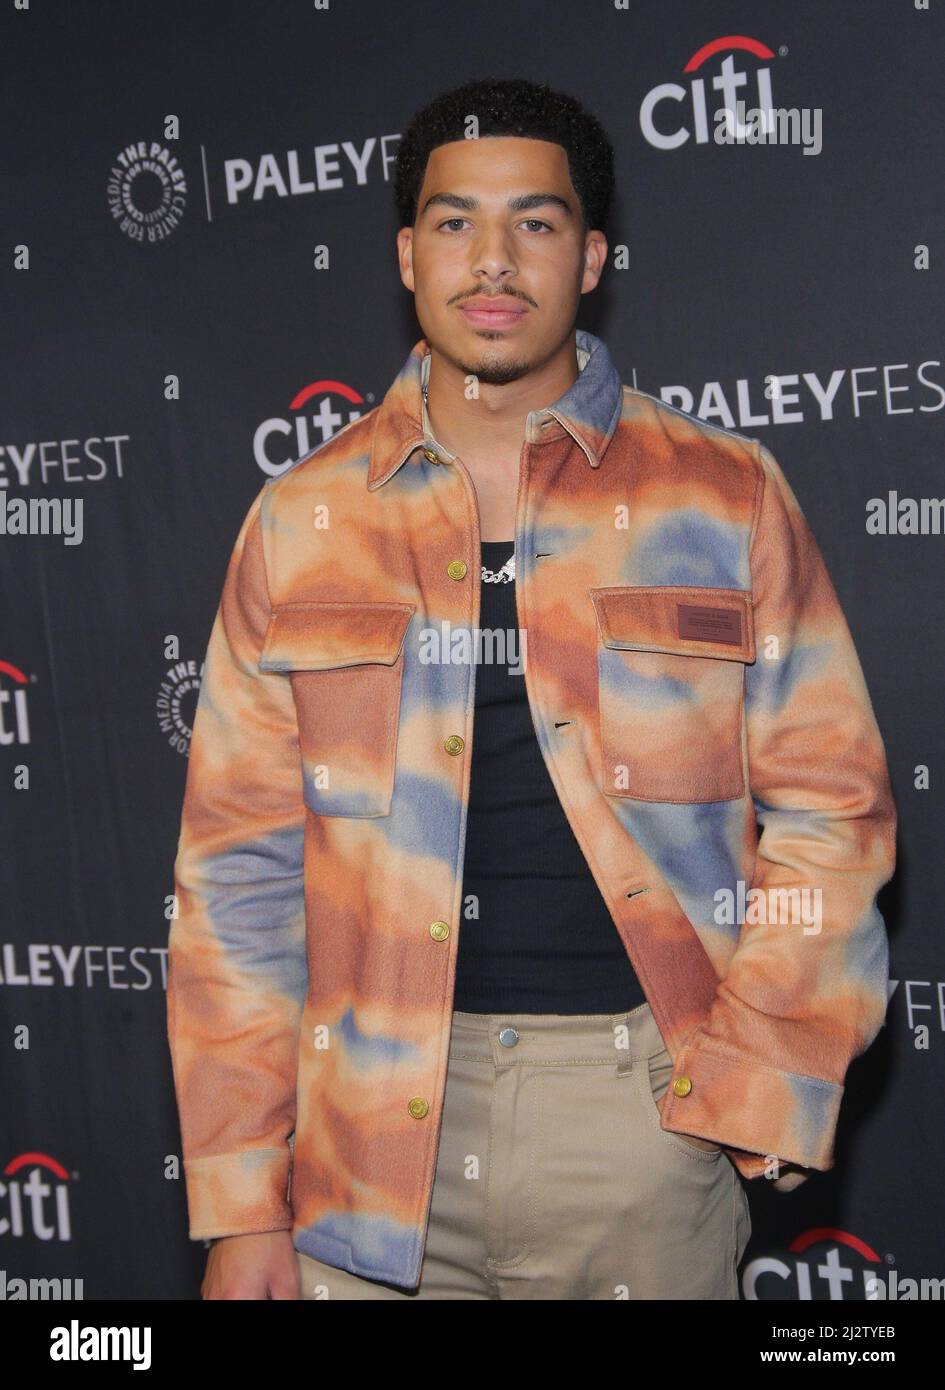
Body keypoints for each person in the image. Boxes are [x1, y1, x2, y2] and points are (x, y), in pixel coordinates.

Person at [166, 77, 897, 1300]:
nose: (492, 261)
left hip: (640, 1133)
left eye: (537, 223)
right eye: (454, 223)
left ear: (594, 253)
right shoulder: (302, 520)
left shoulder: (724, 496)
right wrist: (244, 1197)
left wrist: (754, 1076)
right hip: (362, 1147)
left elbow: (830, 817)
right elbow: (237, 876)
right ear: (407, 255)